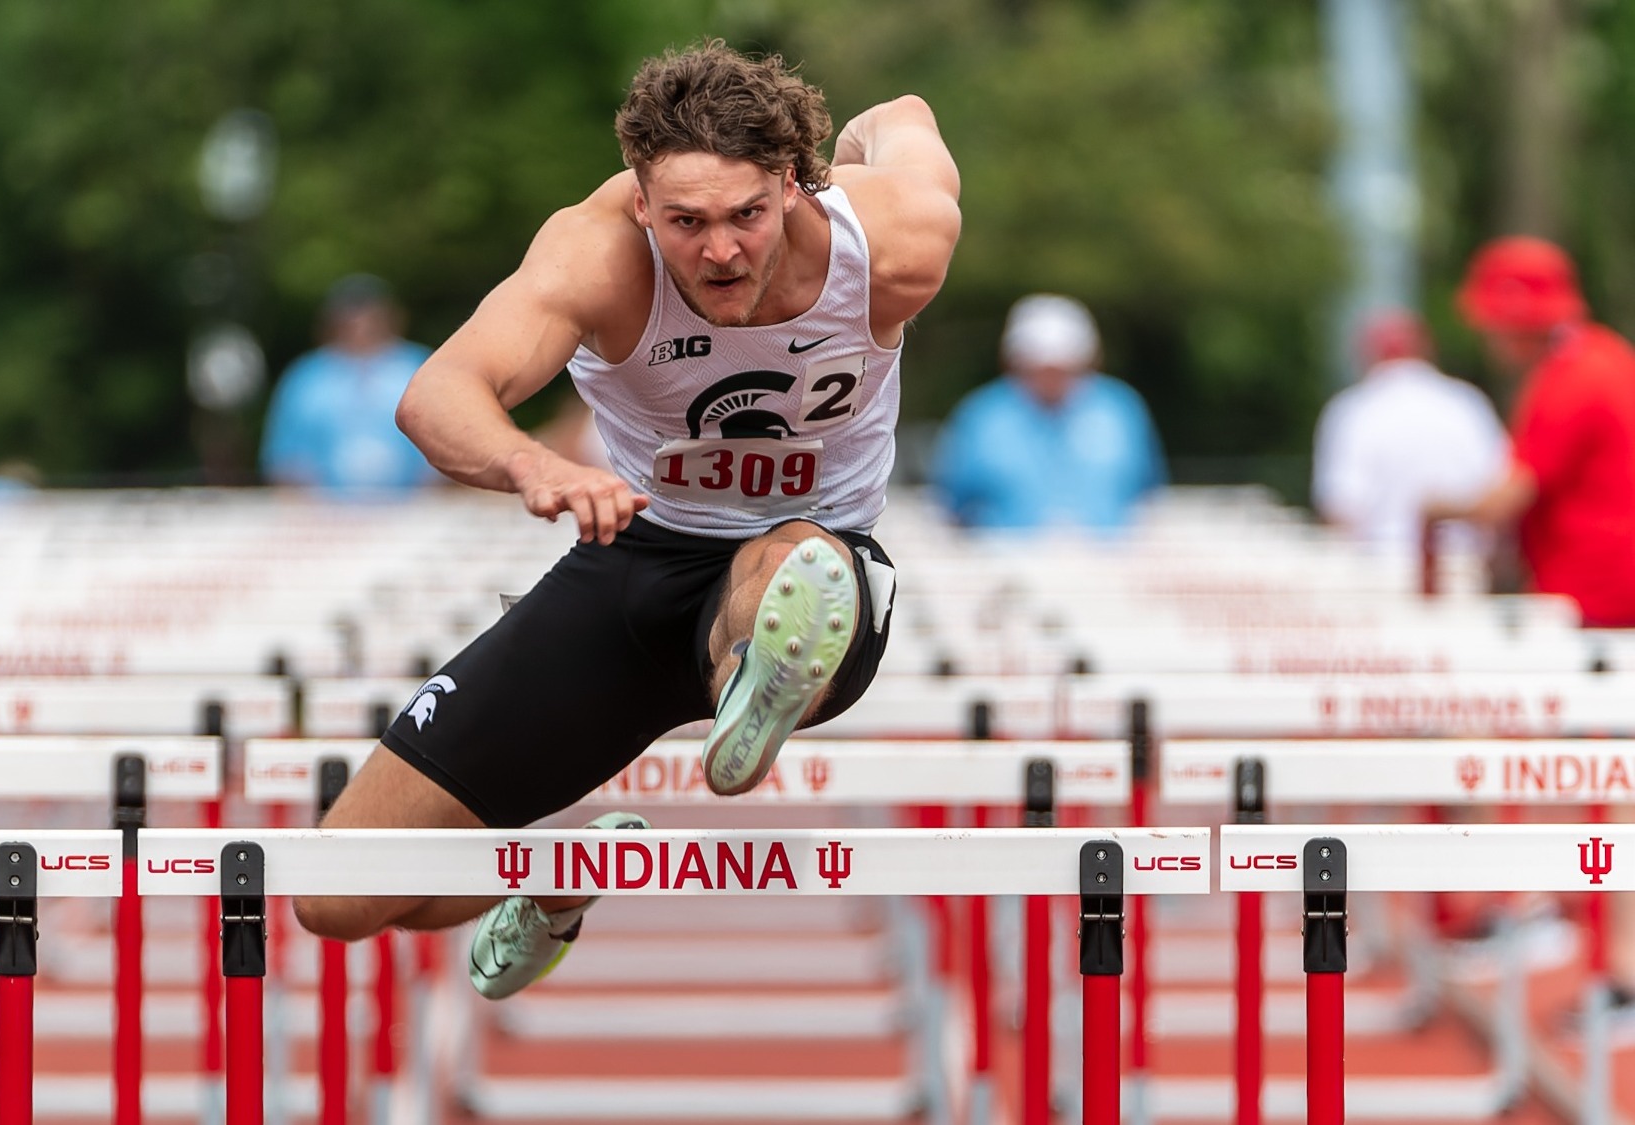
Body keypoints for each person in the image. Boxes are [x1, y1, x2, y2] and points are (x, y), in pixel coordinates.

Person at [290, 40, 960, 1000]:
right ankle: (565, 878)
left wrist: (867, 132)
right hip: (638, 562)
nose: (720, 250)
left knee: (789, 562)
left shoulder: (892, 240)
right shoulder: (597, 254)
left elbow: (909, 115)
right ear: (641, 202)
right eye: (685, 221)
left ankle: (755, 673)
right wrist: (534, 464)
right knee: (337, 895)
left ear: (794, 186)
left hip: (819, 565)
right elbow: (438, 393)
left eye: (746, 216)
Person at [1427, 236, 1635, 627]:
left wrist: (1434, 508)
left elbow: (1505, 500)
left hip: (1596, 603)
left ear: (1513, 322)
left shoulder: (1569, 380)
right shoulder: (1606, 354)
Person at [928, 294, 1165, 530]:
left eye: (1064, 367)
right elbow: (952, 502)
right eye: (1039, 367)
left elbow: (1147, 494)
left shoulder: (1120, 408)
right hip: (1002, 561)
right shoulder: (981, 415)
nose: (1052, 378)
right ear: (1015, 362)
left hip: (1108, 560)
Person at [1312, 308, 1508, 552]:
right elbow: (1499, 487)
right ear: (1426, 348)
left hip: (1381, 562)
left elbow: (1342, 505)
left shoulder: (1351, 409)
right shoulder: (1466, 402)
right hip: (1465, 559)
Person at [259, 274, 436, 495]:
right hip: (323, 517)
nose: (360, 321)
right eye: (351, 312)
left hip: (418, 513)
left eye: (369, 311)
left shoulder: (420, 366)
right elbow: (286, 459)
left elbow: (446, 447)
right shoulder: (306, 376)